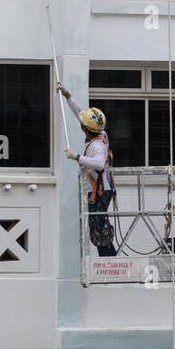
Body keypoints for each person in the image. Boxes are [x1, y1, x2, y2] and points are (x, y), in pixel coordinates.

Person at [58, 83, 117, 256]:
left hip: (100, 190)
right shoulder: (101, 133)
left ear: (85, 129)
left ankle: (108, 259)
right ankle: (107, 257)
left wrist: (77, 157)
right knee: (97, 224)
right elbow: (80, 113)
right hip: (101, 188)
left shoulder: (96, 145)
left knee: (99, 225)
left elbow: (98, 163)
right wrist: (68, 95)